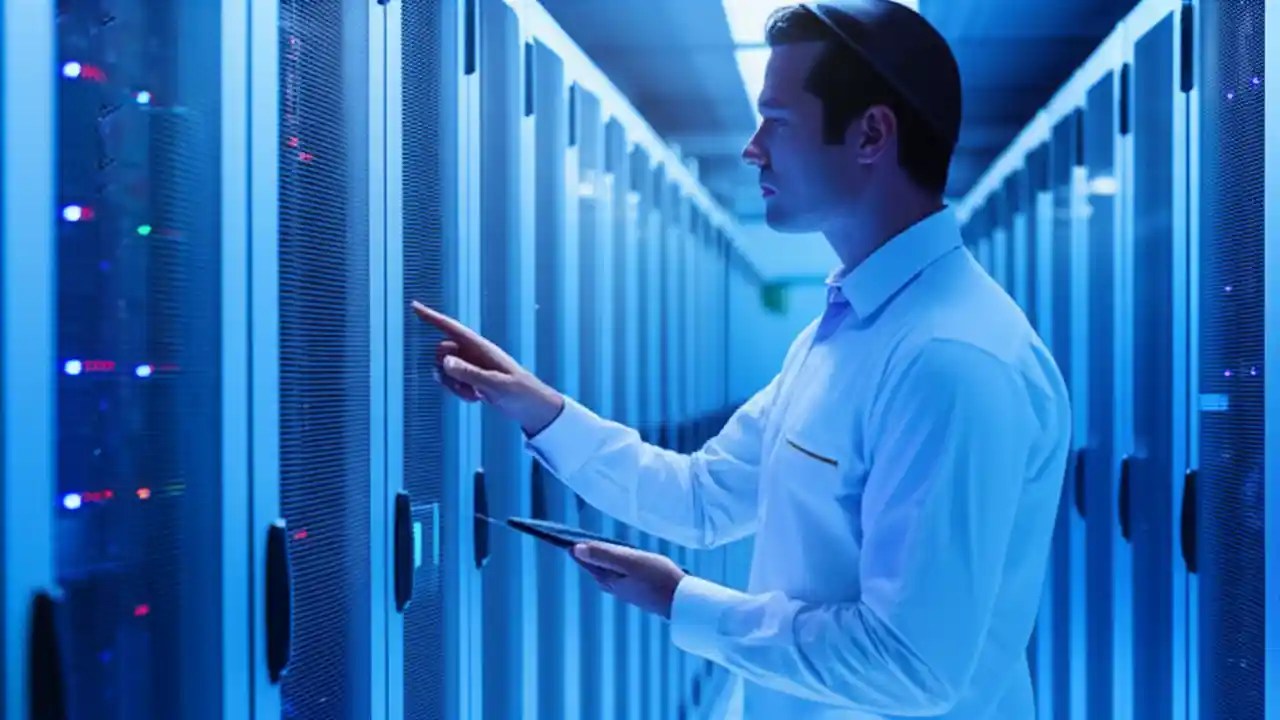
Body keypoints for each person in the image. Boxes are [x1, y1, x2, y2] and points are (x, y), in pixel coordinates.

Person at [414, 1, 1071, 717]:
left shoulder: (952, 359)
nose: (753, 149)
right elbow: (703, 496)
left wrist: (683, 601)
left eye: (777, 122)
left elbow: (910, 667)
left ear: (871, 135)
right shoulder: (844, 335)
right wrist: (535, 407)